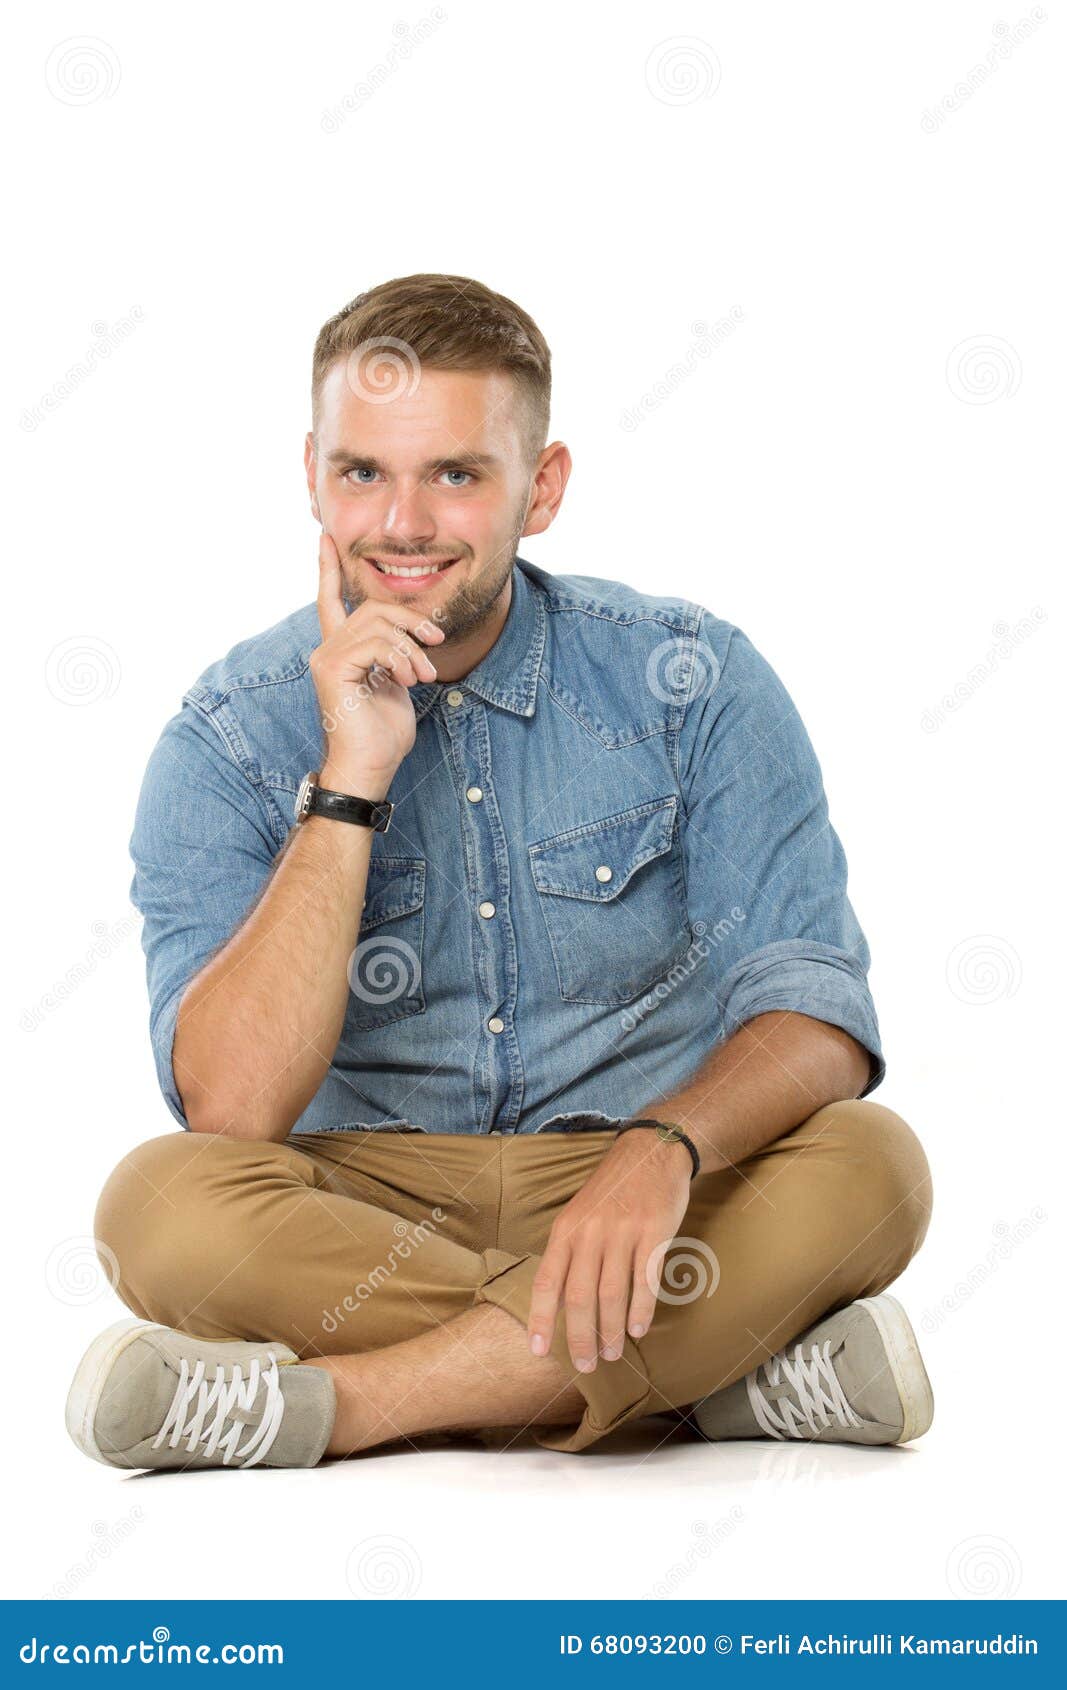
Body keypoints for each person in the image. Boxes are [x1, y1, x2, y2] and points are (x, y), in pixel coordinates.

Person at [65, 274, 933, 1473]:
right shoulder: (226, 736)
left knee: (873, 1168)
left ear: (544, 487)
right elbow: (231, 1110)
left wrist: (661, 1148)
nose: (403, 523)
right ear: (310, 475)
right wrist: (348, 780)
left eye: (456, 475)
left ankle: (347, 1404)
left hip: (654, 1183)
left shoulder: (693, 681)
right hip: (359, 1197)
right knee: (155, 1210)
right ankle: (714, 1376)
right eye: (363, 471)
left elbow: (813, 1010)